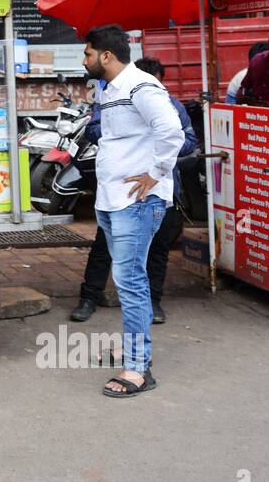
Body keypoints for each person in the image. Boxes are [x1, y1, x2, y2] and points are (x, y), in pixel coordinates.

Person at [82, 25, 184, 398]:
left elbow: (172, 131)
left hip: (135, 202)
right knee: (128, 280)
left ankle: (139, 368)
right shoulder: (111, 89)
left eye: (88, 53)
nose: (85, 59)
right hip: (113, 199)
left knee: (131, 282)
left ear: (106, 56)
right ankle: (132, 348)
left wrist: (156, 174)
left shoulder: (142, 86)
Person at [71, 57, 199, 326]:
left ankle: (152, 305)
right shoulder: (109, 97)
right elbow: (94, 129)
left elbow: (185, 139)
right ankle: (90, 298)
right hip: (119, 191)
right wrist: (130, 134)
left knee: (155, 251)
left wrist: (154, 155)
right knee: (105, 248)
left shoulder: (167, 104)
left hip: (154, 189)